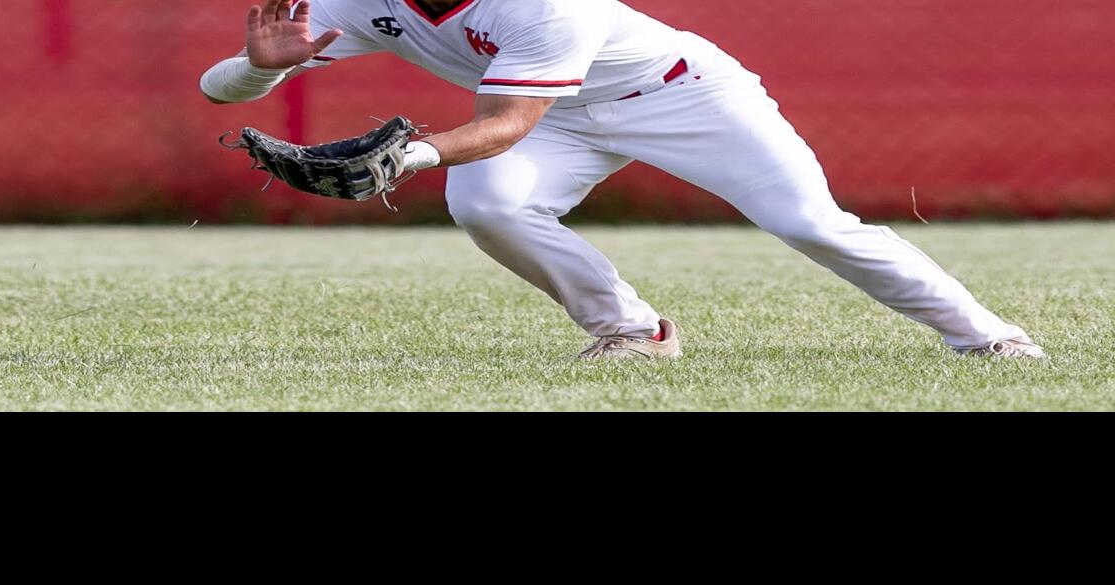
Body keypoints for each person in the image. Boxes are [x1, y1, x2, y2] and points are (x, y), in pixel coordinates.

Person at [201, 0, 1046, 360]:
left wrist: (408, 156)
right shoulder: (353, 2)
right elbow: (217, 88)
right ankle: (633, 332)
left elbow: (505, 126)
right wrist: (260, 70)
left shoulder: (544, 5)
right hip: (562, 118)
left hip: (685, 96)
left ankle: (988, 336)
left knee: (808, 223)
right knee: (488, 201)